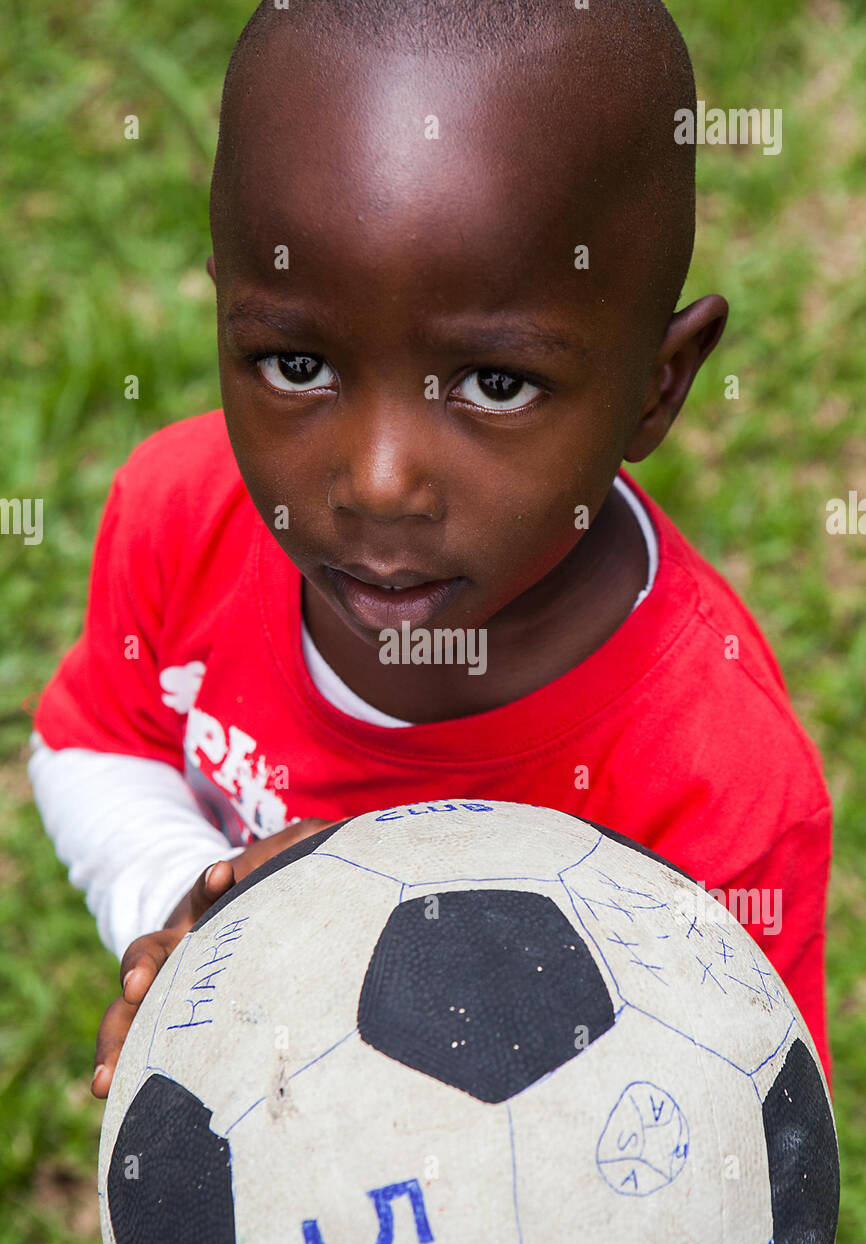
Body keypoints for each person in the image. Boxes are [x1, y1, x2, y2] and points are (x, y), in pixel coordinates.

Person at [28, 0, 833, 1099]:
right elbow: (94, 743)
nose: (376, 482)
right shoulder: (183, 513)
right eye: (294, 362)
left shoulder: (708, 776)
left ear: (656, 387)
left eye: (494, 384)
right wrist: (192, 908)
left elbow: (750, 1127)